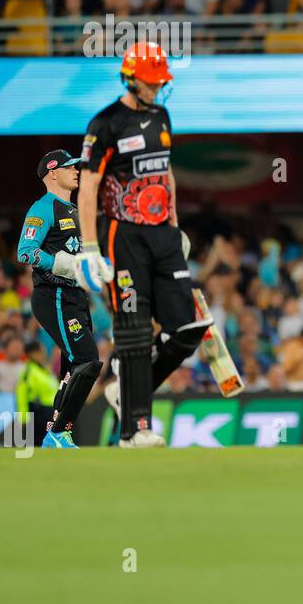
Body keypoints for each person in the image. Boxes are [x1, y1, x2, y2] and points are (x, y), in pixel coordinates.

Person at [79, 42, 210, 448]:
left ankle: (126, 388)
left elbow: (165, 173)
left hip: (162, 234)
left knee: (186, 329)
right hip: (123, 236)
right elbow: (88, 188)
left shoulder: (161, 115)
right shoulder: (105, 124)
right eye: (152, 82)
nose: (157, 88)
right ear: (131, 79)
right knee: (134, 331)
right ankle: (135, 430)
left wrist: (174, 223)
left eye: (160, 82)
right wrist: (89, 247)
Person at [16, 150, 107, 449]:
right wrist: (61, 264)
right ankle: (58, 432)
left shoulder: (74, 209)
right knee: (88, 360)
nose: (76, 171)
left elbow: (78, 255)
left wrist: (95, 266)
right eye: (69, 167)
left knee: (74, 366)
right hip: (54, 294)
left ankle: (55, 435)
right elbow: (25, 252)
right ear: (52, 173)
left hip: (75, 295)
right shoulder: (43, 208)